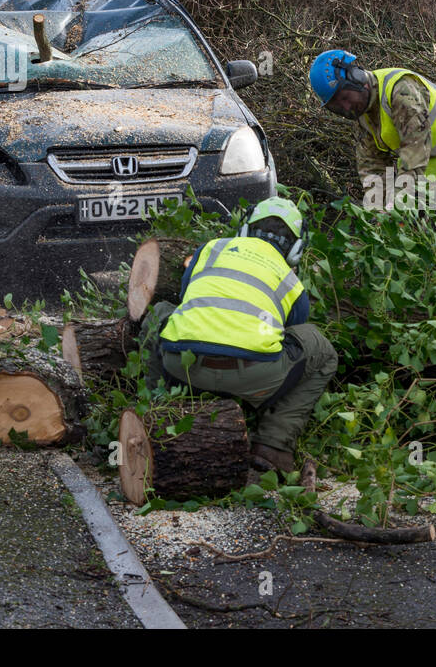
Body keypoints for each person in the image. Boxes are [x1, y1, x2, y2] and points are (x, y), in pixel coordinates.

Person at [143, 197, 338, 475]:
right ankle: (273, 446)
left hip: (182, 367)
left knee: (161, 311)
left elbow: (187, 297)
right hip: (253, 377)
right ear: (296, 249)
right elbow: (291, 330)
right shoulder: (290, 281)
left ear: (244, 228)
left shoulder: (210, 249)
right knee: (322, 350)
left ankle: (157, 410)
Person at [309, 49, 436, 185]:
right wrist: (379, 210)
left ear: (357, 78)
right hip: (427, 164)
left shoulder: (401, 91)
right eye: (337, 106)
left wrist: (400, 202)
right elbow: (371, 164)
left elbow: (416, 149)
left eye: (345, 97)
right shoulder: (362, 112)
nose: (346, 108)